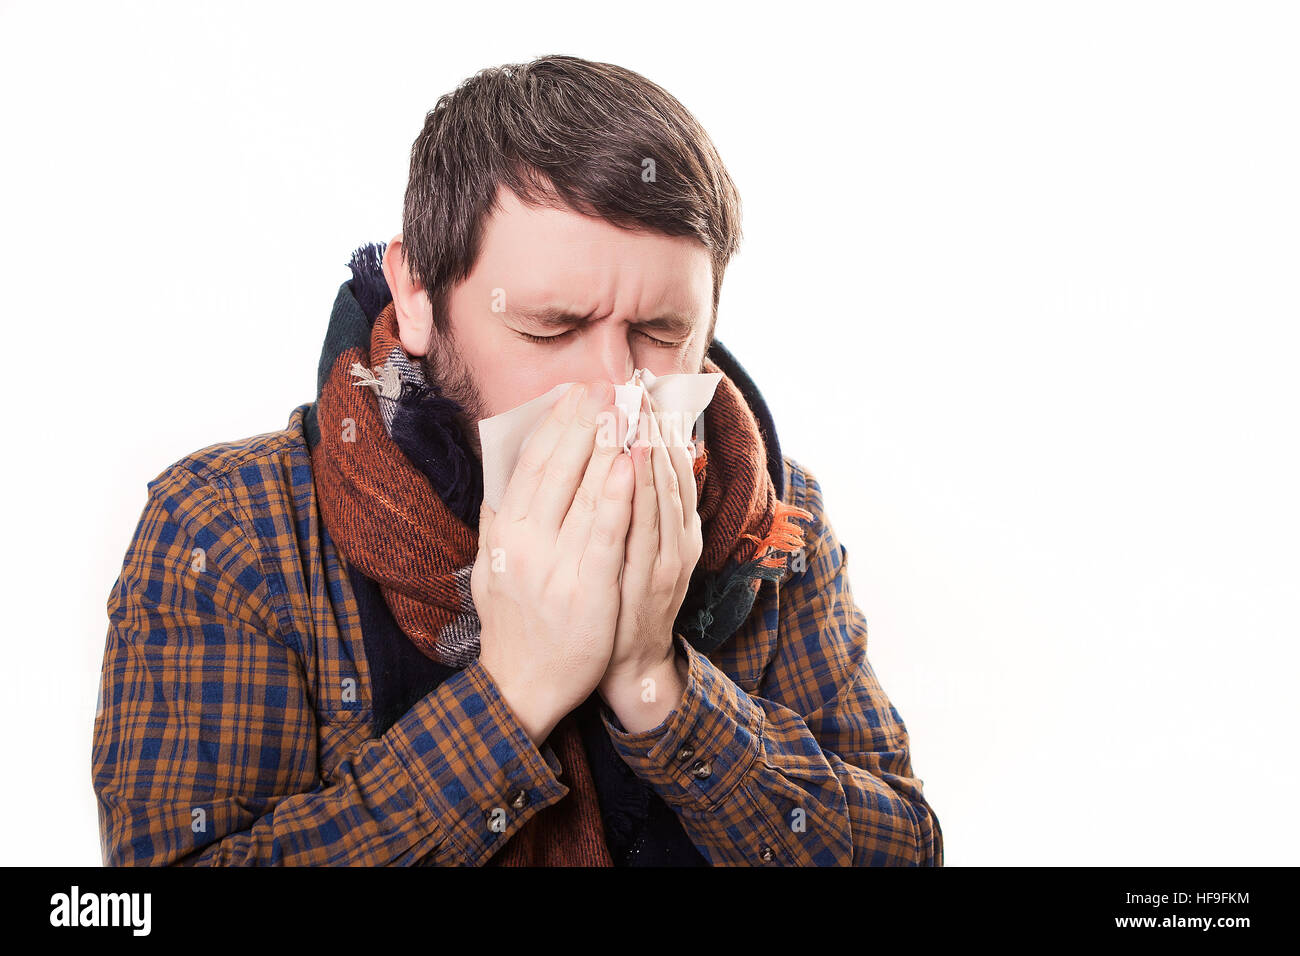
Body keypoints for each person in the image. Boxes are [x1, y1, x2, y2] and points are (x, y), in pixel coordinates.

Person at [91, 54, 943, 866]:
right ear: (418, 297)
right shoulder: (232, 529)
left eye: (661, 334)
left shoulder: (769, 516)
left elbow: (904, 851)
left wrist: (656, 684)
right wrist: (515, 692)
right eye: (550, 328)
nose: (616, 391)